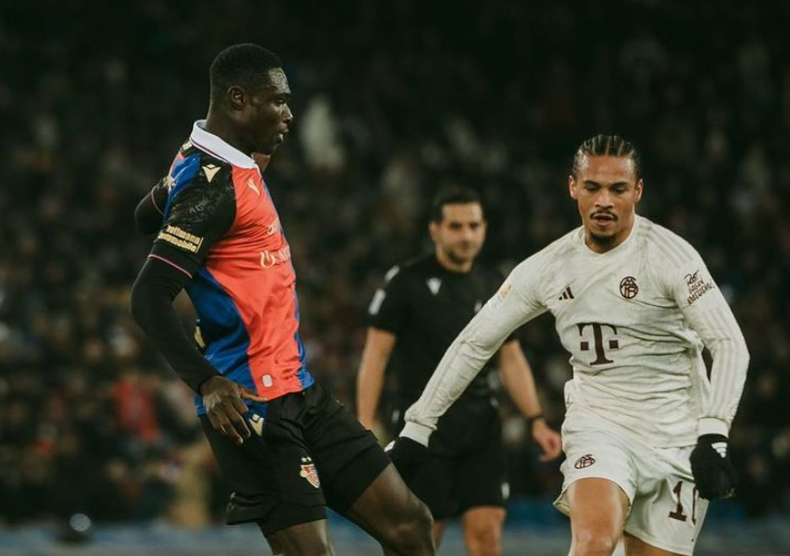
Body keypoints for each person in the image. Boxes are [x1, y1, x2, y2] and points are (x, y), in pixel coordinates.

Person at [130, 43, 435, 556]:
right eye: (278, 101)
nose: (290, 113)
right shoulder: (213, 188)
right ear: (238, 100)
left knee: (410, 524)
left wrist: (177, 187)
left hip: (299, 390)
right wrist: (206, 381)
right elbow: (147, 298)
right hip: (248, 405)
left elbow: (145, 215)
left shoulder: (205, 162)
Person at [388, 135, 749, 556]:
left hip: (678, 436)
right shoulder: (549, 267)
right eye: (593, 187)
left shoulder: (672, 258)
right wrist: (418, 426)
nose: (604, 201)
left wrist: (714, 432)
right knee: (594, 542)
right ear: (572, 187)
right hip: (601, 424)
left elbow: (728, 342)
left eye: (617, 189)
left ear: (638, 191)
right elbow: (475, 341)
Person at [356, 187, 562, 555]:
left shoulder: (494, 285)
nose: (466, 235)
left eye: (473, 225)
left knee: (486, 534)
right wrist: (367, 419)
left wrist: (535, 418)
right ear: (434, 230)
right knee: (421, 535)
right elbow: (376, 356)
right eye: (455, 226)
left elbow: (510, 357)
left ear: (484, 229)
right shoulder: (406, 282)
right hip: (421, 429)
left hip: (480, 426)